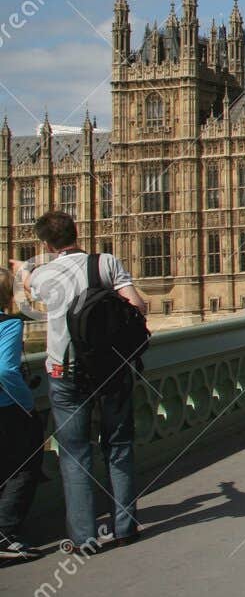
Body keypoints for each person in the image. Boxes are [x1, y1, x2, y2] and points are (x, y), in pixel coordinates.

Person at [15, 212, 147, 551]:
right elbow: (138, 305)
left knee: (75, 455)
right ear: (78, 233)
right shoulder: (105, 263)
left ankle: (84, 537)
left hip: (65, 374)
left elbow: (28, 286)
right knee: (118, 447)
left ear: (46, 244)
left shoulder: (44, 274)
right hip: (110, 369)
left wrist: (24, 271)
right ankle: (125, 527)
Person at [0, 268, 45, 561]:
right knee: (25, 465)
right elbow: (5, 371)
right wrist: (27, 404)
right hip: (7, 409)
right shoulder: (9, 324)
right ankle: (5, 535)